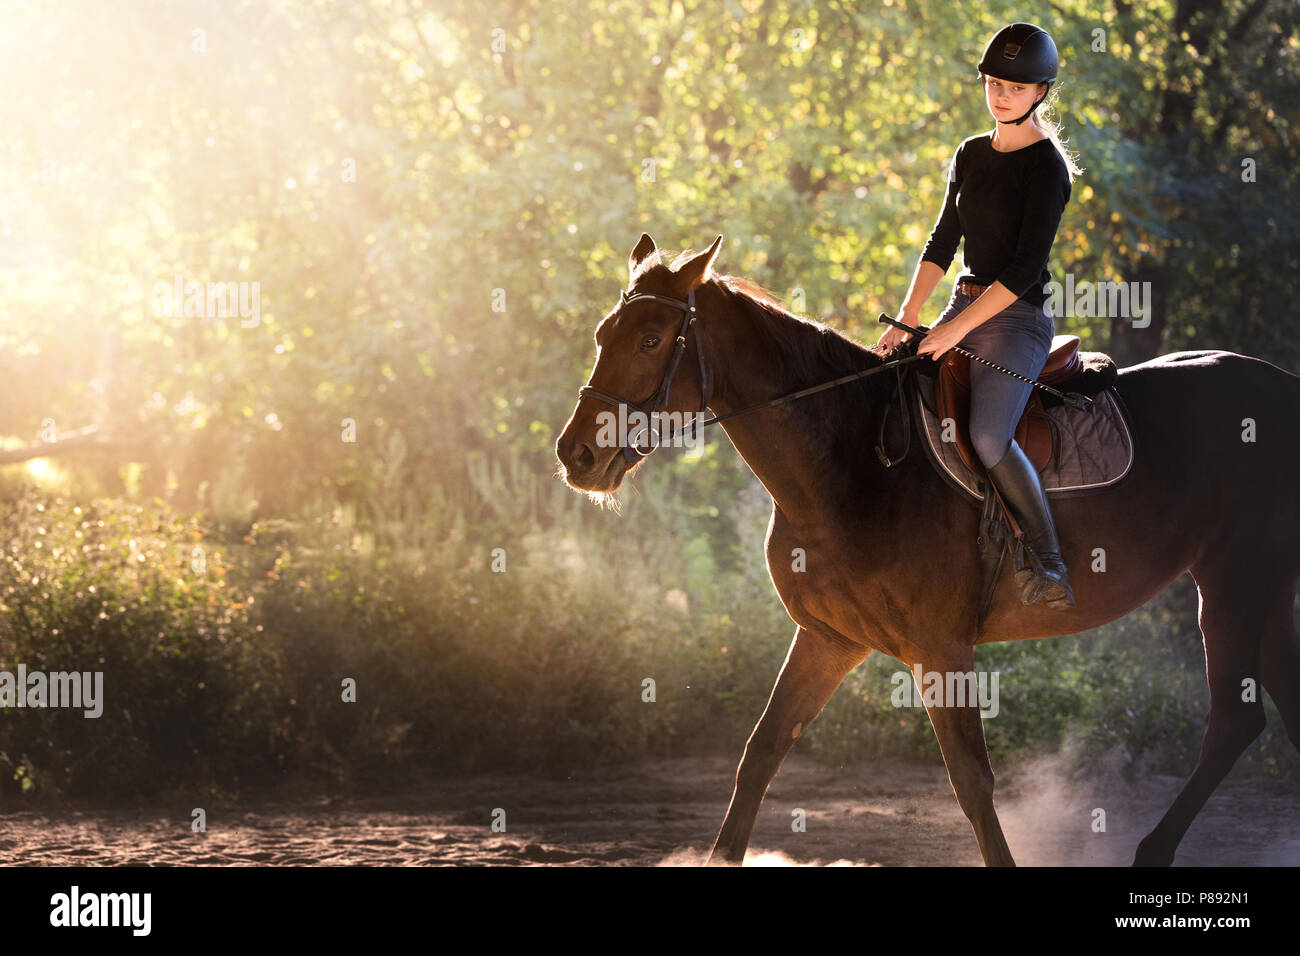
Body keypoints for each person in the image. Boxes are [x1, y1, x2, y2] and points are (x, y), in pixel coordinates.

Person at [877, 22, 1083, 610]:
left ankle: (1049, 562)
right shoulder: (969, 153)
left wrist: (954, 330)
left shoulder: (1047, 168)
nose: (1001, 95)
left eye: (1016, 88)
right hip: (959, 305)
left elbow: (1021, 271)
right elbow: (943, 241)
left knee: (989, 435)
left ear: (1040, 92)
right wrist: (909, 317)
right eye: (994, 82)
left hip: (1016, 319)